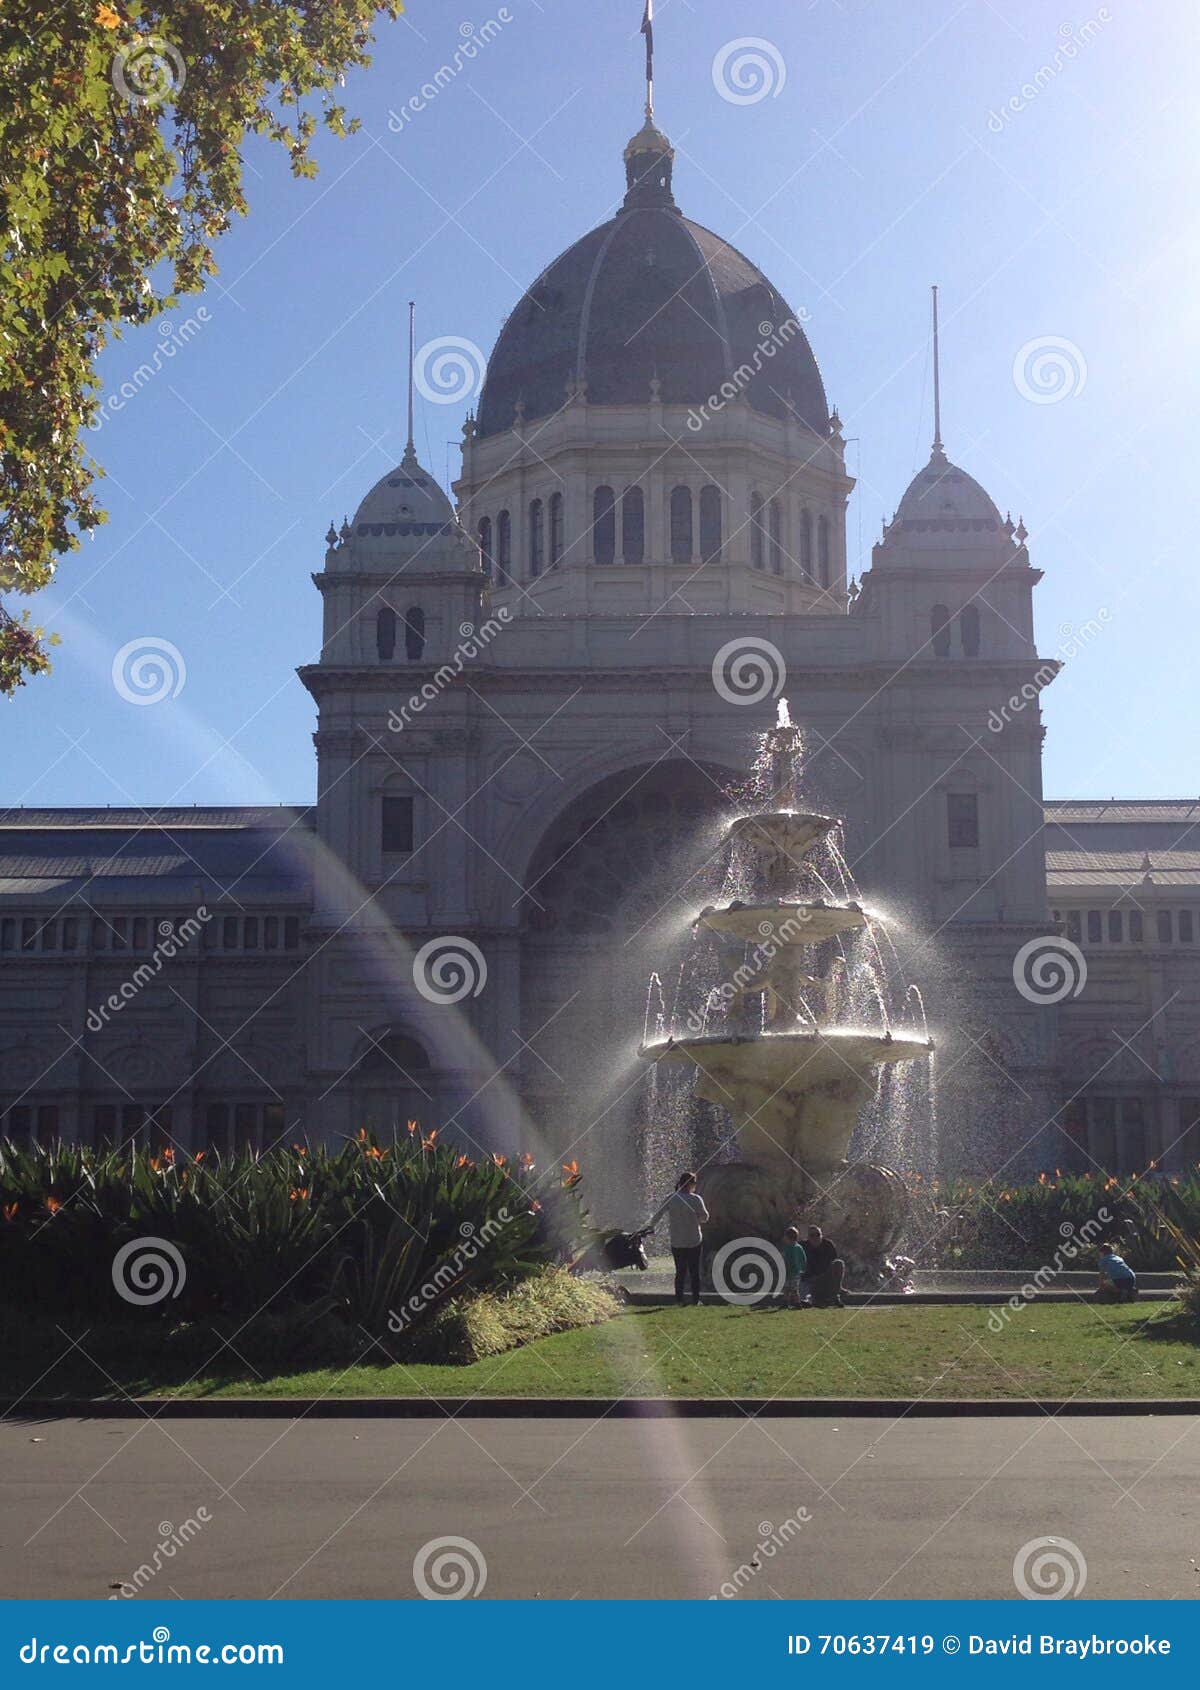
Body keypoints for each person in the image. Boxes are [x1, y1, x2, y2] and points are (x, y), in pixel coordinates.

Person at [649, 1171, 709, 1306]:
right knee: (694, 1272)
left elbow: (657, 1215)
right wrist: (697, 1218)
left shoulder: (671, 1198)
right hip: (694, 1240)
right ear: (692, 1184)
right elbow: (705, 1217)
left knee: (680, 1272)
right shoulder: (696, 1199)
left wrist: (650, 1227)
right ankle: (695, 1300)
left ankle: (679, 1300)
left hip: (677, 1241)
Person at [802, 1225, 845, 1307]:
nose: (815, 1237)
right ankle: (811, 1300)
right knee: (806, 1293)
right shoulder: (802, 1247)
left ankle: (835, 1294)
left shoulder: (828, 1245)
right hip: (808, 1280)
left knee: (839, 1263)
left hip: (825, 1279)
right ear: (808, 1237)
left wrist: (838, 1285)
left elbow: (835, 1265)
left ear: (821, 1235)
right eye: (812, 1235)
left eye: (818, 1234)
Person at [781, 1226, 807, 1307]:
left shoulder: (797, 1247)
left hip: (795, 1272)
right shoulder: (787, 1247)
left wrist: (802, 1268)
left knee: (794, 1289)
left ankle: (797, 1303)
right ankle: (786, 1302)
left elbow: (803, 1259)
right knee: (786, 1288)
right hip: (787, 1272)